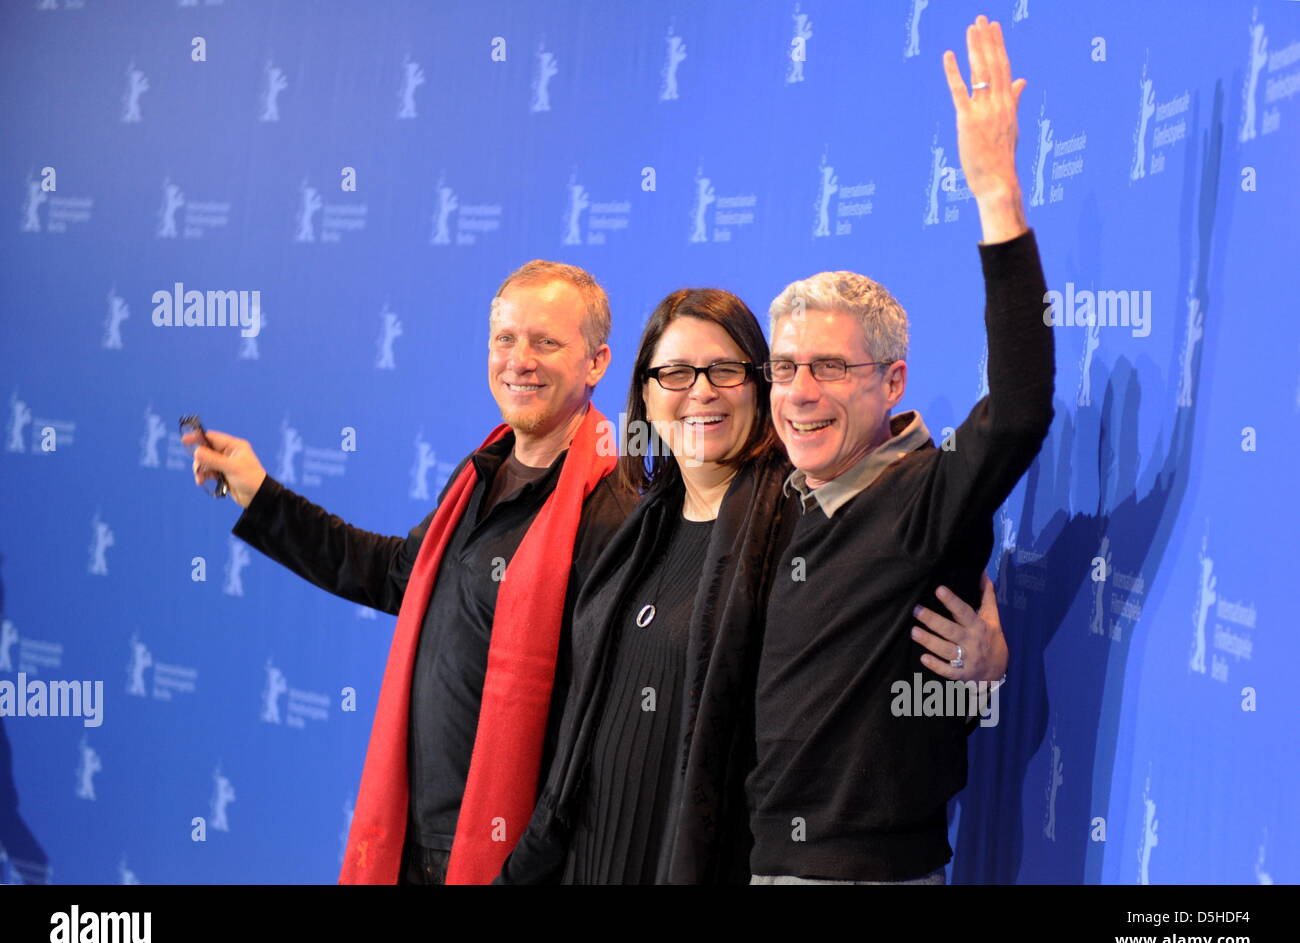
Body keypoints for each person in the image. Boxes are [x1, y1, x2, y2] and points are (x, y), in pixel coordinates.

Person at [498, 288, 1008, 884]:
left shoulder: (806, 522)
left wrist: (981, 677)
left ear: (762, 386)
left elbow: (880, 696)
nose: (701, 391)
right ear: (644, 392)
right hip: (590, 861)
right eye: (676, 372)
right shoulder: (633, 527)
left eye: (725, 370)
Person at [185, 260, 637, 885]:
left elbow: (600, 728)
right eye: (505, 339)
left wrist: (528, 863)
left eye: (546, 341)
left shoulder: (614, 508)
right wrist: (264, 498)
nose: (519, 360)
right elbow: (401, 573)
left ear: (597, 362)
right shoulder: (480, 472)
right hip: (415, 847)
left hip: (514, 864)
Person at [746, 15, 1054, 884]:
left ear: (894, 381)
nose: (801, 391)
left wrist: (996, 194)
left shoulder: (929, 495)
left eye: (832, 368)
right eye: (786, 367)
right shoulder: (764, 503)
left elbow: (1023, 409)